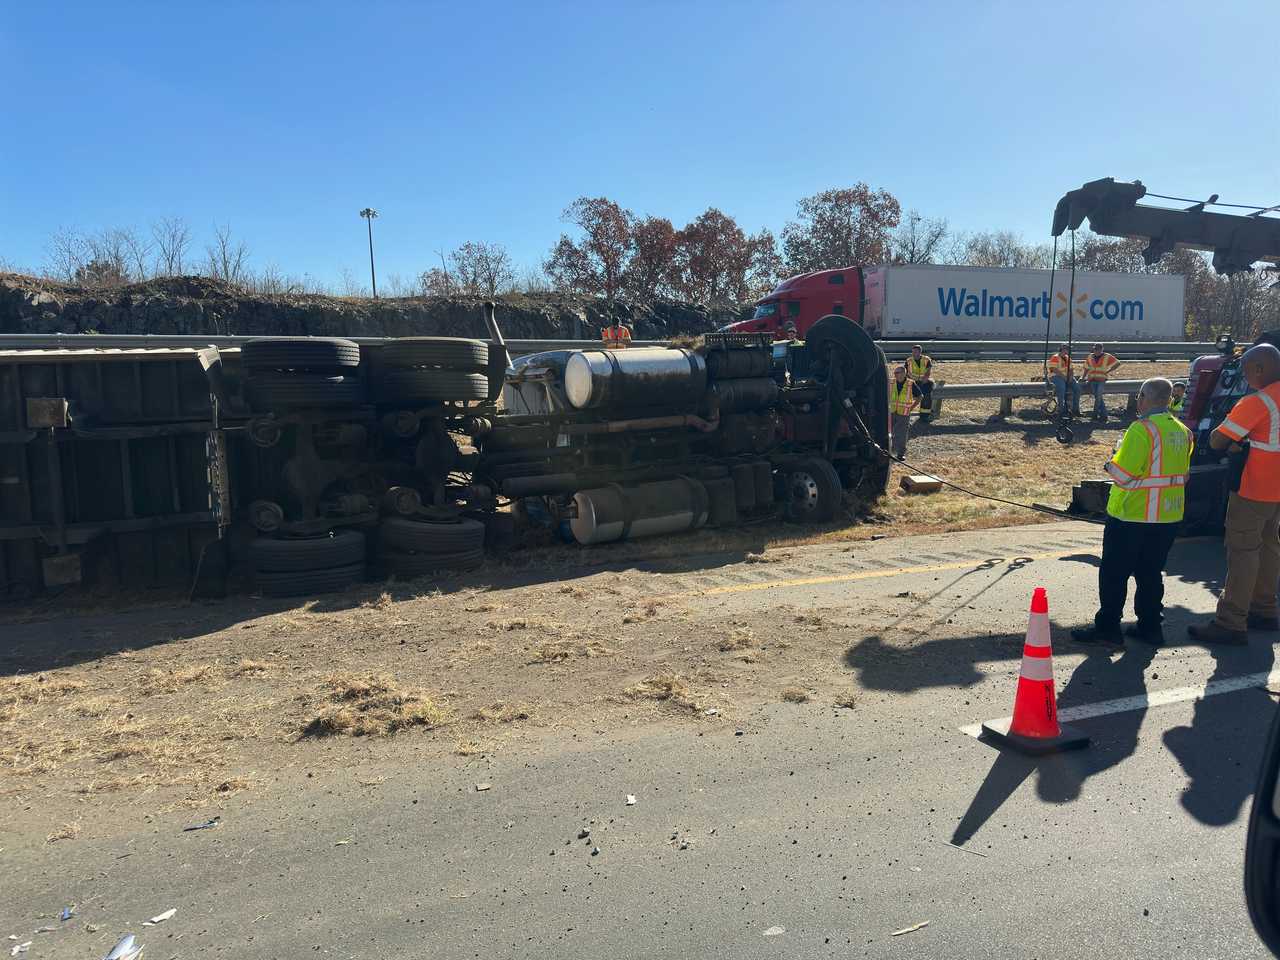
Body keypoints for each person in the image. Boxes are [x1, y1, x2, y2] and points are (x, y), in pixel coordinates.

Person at [1071, 378, 1193, 646]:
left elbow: (1122, 475)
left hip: (1132, 516)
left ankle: (1108, 629)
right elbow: (1181, 475)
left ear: (1143, 398)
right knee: (1150, 573)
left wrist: (1112, 459)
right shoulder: (1183, 431)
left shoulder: (1141, 430)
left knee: (1114, 574)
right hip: (1167, 517)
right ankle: (1151, 628)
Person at [1187, 343, 1280, 644]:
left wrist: (1235, 440)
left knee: (1243, 552)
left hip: (1253, 487)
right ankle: (1263, 609)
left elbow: (1217, 440)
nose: (1244, 376)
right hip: (1276, 491)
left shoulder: (1257, 402)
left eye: (1245, 371)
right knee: (1269, 546)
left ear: (1259, 369)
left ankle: (1231, 621)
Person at [1082, 342, 1122, 422]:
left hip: (1101, 380)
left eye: (1098, 349)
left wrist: (1108, 371)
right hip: (1092, 380)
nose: (1096, 351)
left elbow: (1118, 363)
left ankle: (1095, 415)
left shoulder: (1106, 356)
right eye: (1095, 349)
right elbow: (1086, 368)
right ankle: (1104, 416)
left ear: (1102, 349)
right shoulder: (1090, 356)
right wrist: (1083, 377)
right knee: (1098, 397)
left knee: (1098, 398)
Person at [889, 365, 922, 459]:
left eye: (897, 373)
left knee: (902, 433)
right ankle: (889, 451)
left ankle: (900, 453)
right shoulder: (891, 382)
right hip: (891, 411)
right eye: (895, 373)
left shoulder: (910, 384)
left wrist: (911, 408)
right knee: (889, 432)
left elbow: (920, 396)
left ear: (904, 373)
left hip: (904, 413)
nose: (895, 374)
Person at [1047, 344, 1082, 418]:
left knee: (1078, 389)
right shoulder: (1055, 357)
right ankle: (1061, 410)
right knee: (1062, 389)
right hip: (1056, 377)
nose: (1068, 351)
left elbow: (1071, 369)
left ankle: (1075, 410)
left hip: (1067, 377)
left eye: (1068, 349)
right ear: (1062, 349)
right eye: (1067, 349)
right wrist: (1064, 377)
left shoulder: (1068, 358)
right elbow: (1054, 369)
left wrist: (1070, 377)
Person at [907, 344, 935, 421]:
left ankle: (924, 416)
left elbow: (928, 372)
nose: (914, 354)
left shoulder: (926, 360)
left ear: (920, 352)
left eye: (915, 352)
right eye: (912, 352)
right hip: (913, 383)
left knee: (926, 394)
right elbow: (905, 373)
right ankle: (906, 415)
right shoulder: (909, 361)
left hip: (923, 382)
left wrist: (924, 380)